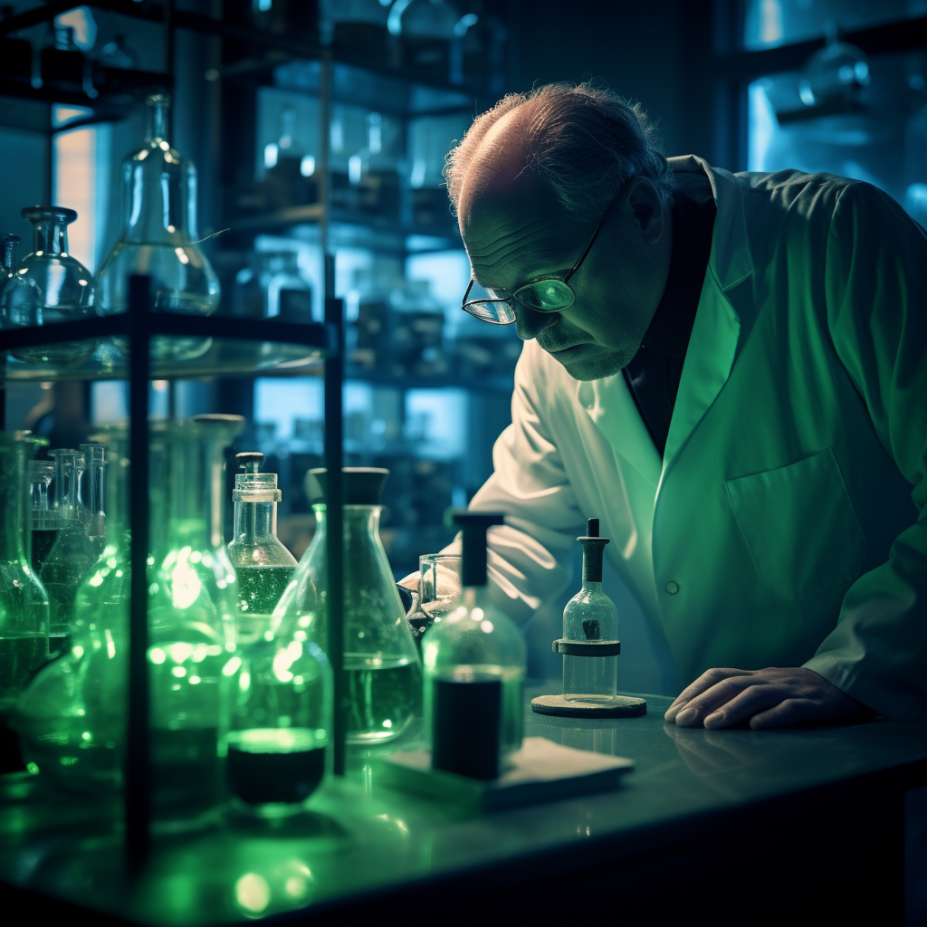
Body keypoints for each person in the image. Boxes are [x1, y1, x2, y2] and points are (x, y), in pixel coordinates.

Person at [417, 81, 927, 729]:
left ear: (642, 211)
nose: (528, 332)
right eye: (501, 299)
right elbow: (520, 526)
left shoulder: (838, 244)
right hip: (707, 739)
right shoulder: (547, 349)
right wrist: (418, 610)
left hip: (877, 736)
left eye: (545, 287)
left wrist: (853, 665)